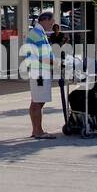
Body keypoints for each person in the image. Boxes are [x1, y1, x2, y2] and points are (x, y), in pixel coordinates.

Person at [25, 11, 57, 140]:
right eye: (52, 22)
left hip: (38, 71)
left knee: (37, 101)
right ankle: (38, 131)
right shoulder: (37, 34)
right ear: (45, 20)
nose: (53, 25)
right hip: (40, 72)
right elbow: (43, 57)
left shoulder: (38, 33)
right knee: (38, 101)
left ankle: (36, 130)